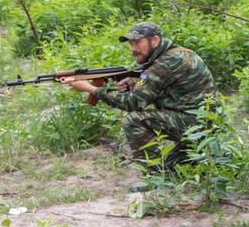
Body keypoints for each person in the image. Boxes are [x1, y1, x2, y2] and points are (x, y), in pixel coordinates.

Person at [58, 22, 216, 186]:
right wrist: (136, 83)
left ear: (154, 40)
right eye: (131, 44)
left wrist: (91, 89)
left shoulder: (164, 64)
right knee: (172, 170)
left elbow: (132, 103)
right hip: (206, 123)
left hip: (196, 125)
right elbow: (169, 89)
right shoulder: (179, 54)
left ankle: (154, 180)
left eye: (137, 43)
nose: (133, 49)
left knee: (133, 119)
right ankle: (196, 159)